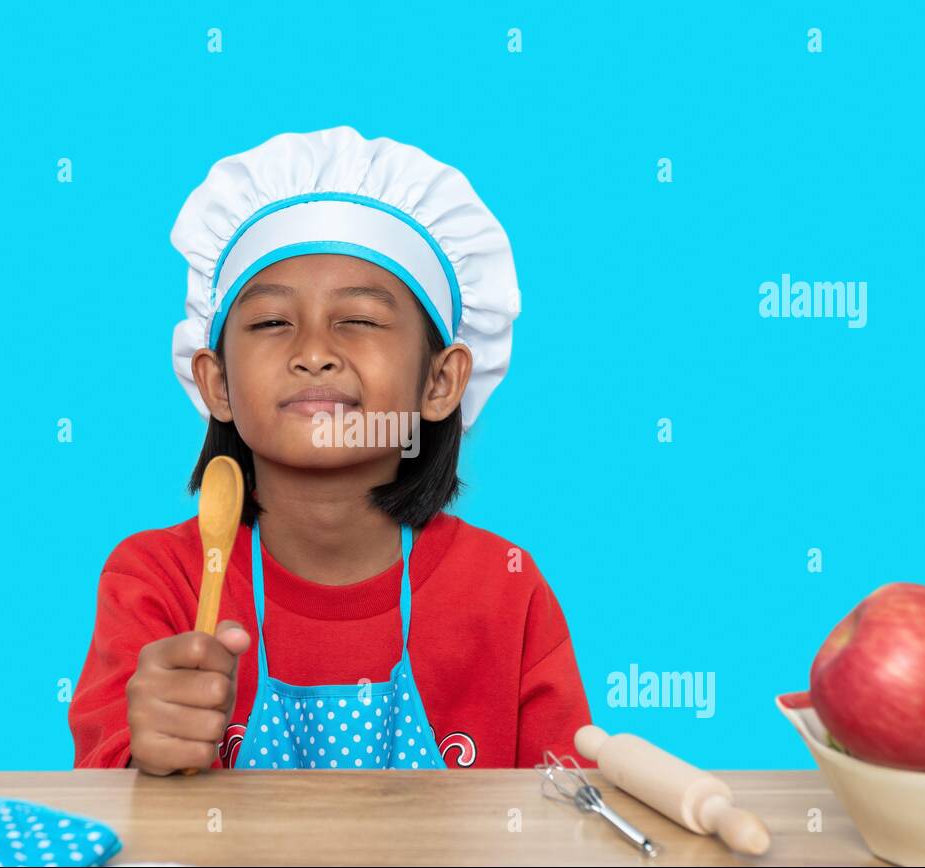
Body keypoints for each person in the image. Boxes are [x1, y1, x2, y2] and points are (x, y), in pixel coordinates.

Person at [68, 126, 594, 773]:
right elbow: (106, 807)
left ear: (440, 381)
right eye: (270, 323)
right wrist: (147, 749)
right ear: (217, 383)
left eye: (360, 320)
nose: (313, 353)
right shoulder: (159, 582)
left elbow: (570, 811)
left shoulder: (505, 591)